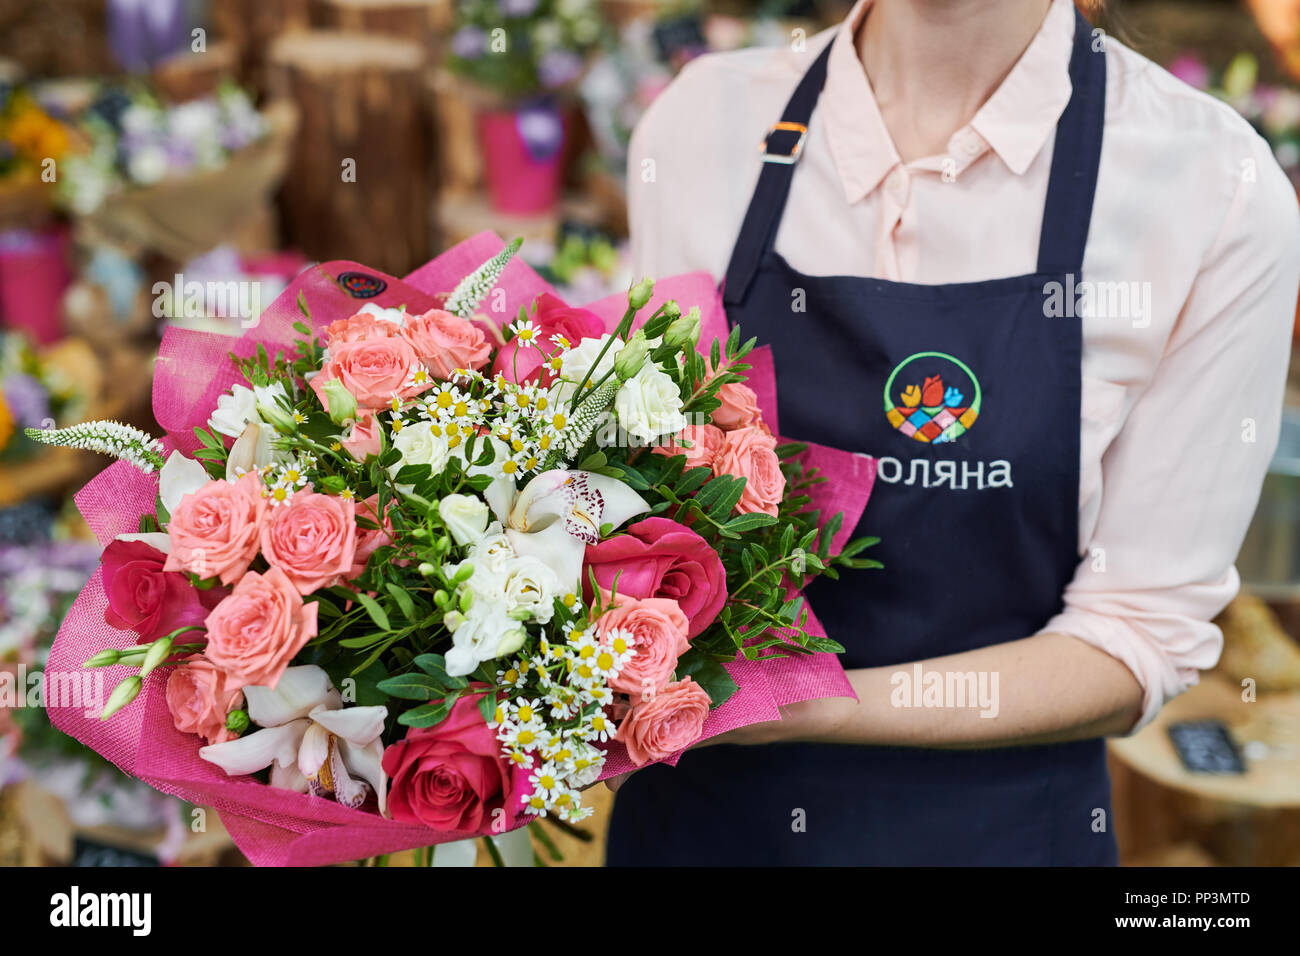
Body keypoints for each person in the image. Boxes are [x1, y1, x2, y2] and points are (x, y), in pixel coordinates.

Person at [604, 0, 1300, 865]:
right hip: (697, 828)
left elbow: (1137, 639)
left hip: (999, 834)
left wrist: (783, 705)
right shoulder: (701, 122)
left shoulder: (1214, 189)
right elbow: (628, 486)